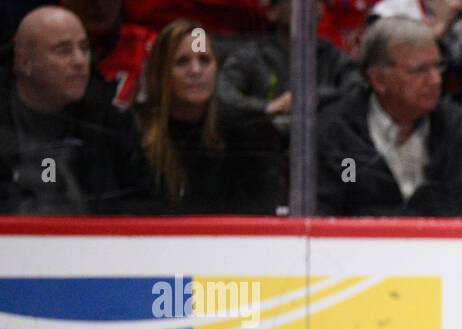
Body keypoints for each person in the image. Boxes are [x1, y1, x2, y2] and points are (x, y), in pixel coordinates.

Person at [315, 15, 462, 216]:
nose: (436, 80)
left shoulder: (458, 126)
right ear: (378, 79)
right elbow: (323, 213)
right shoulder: (336, 133)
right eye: (420, 70)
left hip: (443, 244)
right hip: (361, 245)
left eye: (438, 67)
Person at [1, 5, 153, 213]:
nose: (80, 61)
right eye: (63, 50)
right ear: (24, 62)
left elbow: (144, 203)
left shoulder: (111, 122)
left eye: (84, 48)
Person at [135, 20, 282, 213]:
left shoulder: (245, 135)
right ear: (161, 73)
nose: (196, 71)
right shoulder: (136, 131)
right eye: (182, 61)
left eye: (204, 59)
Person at [217, 0, 363, 138]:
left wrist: (316, 96)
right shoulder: (251, 56)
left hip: (322, 154)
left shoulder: (331, 55)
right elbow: (222, 97)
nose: (313, 6)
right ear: (272, 10)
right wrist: (268, 107)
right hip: (262, 153)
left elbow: (357, 90)